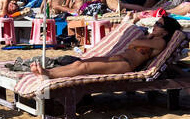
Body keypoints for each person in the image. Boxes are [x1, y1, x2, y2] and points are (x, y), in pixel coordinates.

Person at [27, 16, 181, 80]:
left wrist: (144, 39)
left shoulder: (160, 42)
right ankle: (48, 73)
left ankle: (49, 74)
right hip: (119, 58)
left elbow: (133, 44)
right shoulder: (151, 38)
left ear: (166, 31)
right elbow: (134, 43)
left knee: (85, 67)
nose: (155, 26)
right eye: (156, 23)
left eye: (159, 24)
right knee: (79, 63)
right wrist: (145, 38)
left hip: (125, 64)